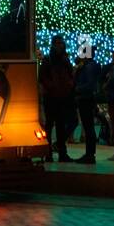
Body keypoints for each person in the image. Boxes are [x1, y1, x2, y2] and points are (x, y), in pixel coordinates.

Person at [39, 35, 76, 163]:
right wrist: (54, 86)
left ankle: (59, 153)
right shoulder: (49, 59)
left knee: (59, 125)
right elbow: (42, 77)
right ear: (53, 44)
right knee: (52, 125)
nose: (60, 45)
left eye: (61, 43)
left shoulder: (63, 59)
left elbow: (70, 74)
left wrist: (68, 85)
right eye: (58, 43)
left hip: (60, 96)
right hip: (52, 96)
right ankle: (51, 153)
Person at [73, 46, 102, 164]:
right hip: (88, 98)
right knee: (89, 127)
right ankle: (90, 153)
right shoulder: (91, 66)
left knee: (88, 127)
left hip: (85, 99)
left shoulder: (88, 67)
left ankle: (90, 154)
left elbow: (89, 85)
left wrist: (76, 89)